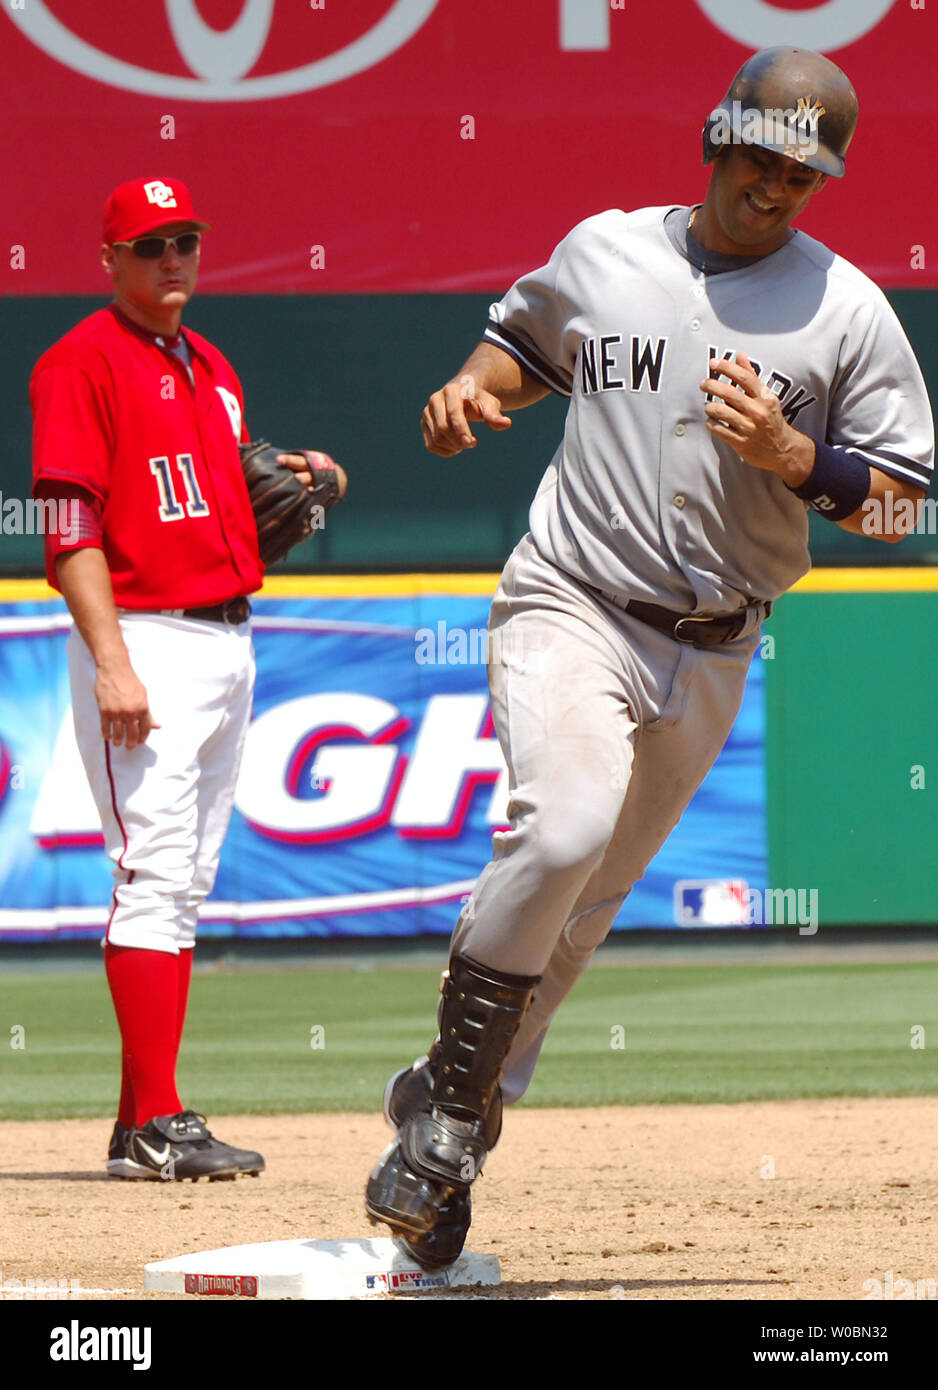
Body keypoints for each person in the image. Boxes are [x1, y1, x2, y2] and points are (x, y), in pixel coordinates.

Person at [365, 48, 935, 1266]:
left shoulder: (843, 310)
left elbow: (900, 505)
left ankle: (442, 1102)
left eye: (802, 171)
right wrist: (467, 387)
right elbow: (519, 348)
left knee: (580, 916)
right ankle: (454, 1123)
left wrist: (797, 458)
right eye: (761, 155)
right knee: (561, 831)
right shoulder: (605, 250)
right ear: (715, 136)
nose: (776, 184)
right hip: (571, 597)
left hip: (714, 646)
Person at [30, 176, 346, 1181]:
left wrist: (306, 476)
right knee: (154, 874)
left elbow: (226, 491)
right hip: (146, 641)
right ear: (110, 259)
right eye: (150, 244)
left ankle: (138, 1127)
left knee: (185, 880)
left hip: (227, 638)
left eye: (185, 241)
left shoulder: (210, 364)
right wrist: (112, 662)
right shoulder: (78, 363)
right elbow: (67, 526)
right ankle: (160, 1121)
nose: (172, 258)